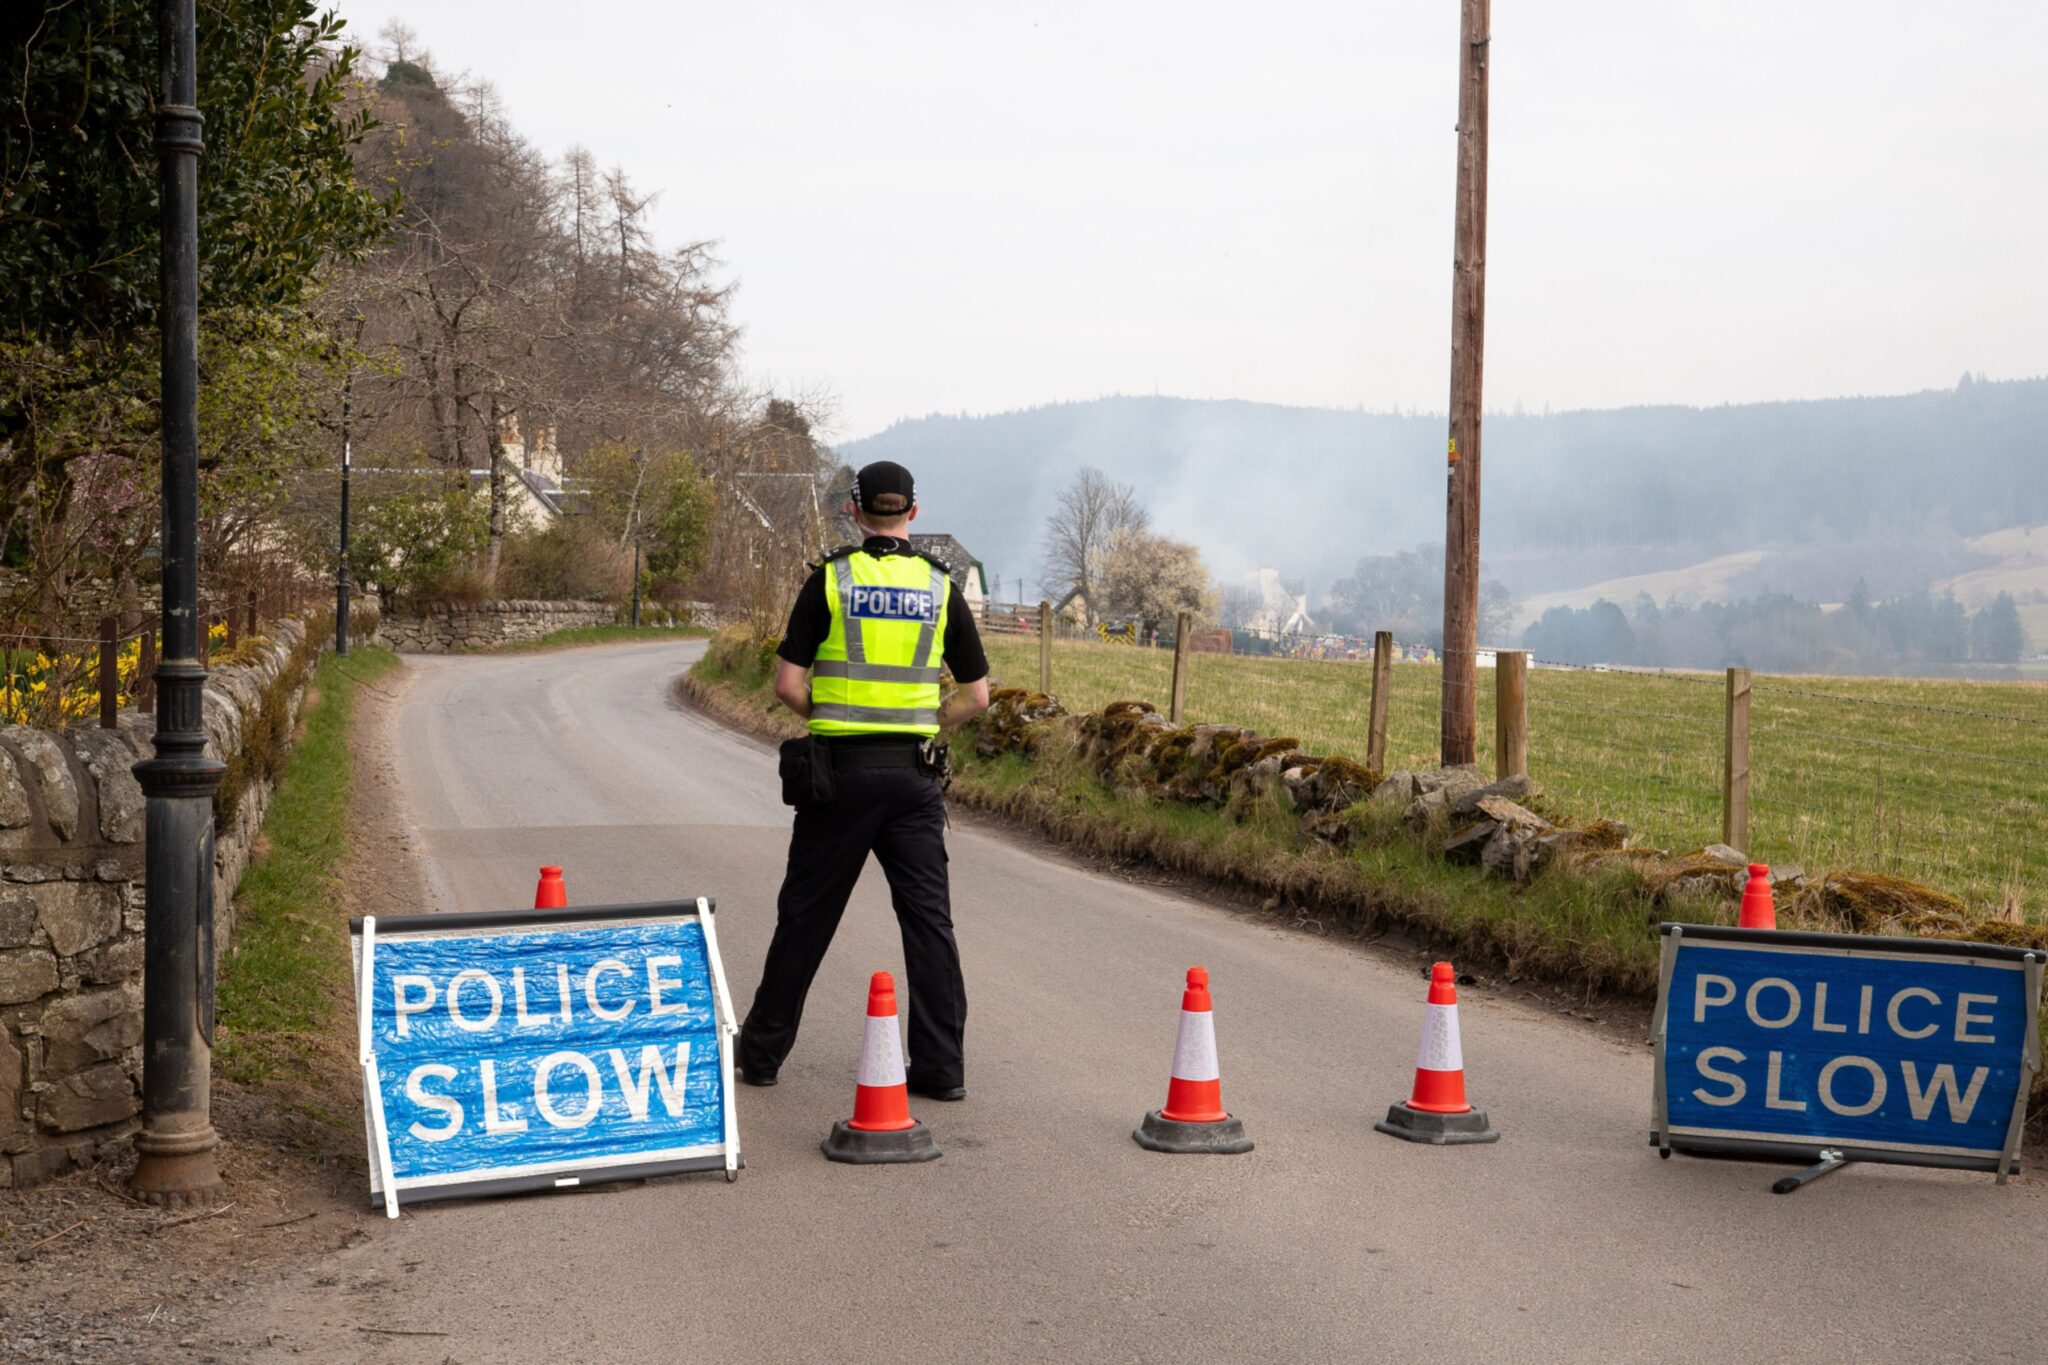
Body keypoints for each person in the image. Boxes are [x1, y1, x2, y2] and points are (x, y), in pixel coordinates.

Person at [737, 460, 992, 1100]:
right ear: (913, 512)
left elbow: (787, 685)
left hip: (839, 779)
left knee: (805, 918)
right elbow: (978, 697)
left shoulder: (830, 581)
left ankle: (763, 1055)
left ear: (855, 513)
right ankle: (940, 1070)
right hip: (913, 781)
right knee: (929, 925)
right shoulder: (941, 588)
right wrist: (927, 724)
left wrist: (830, 718)